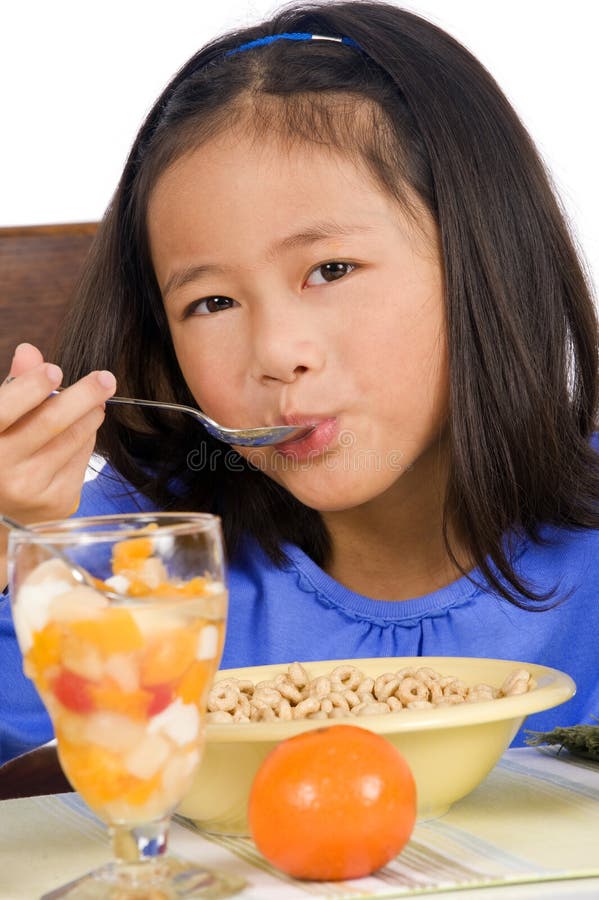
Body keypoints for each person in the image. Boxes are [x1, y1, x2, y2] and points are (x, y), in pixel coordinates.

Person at [1, 0, 598, 765]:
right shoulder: (124, 566)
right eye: (210, 302)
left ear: (483, 259)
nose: (276, 352)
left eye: (330, 270)